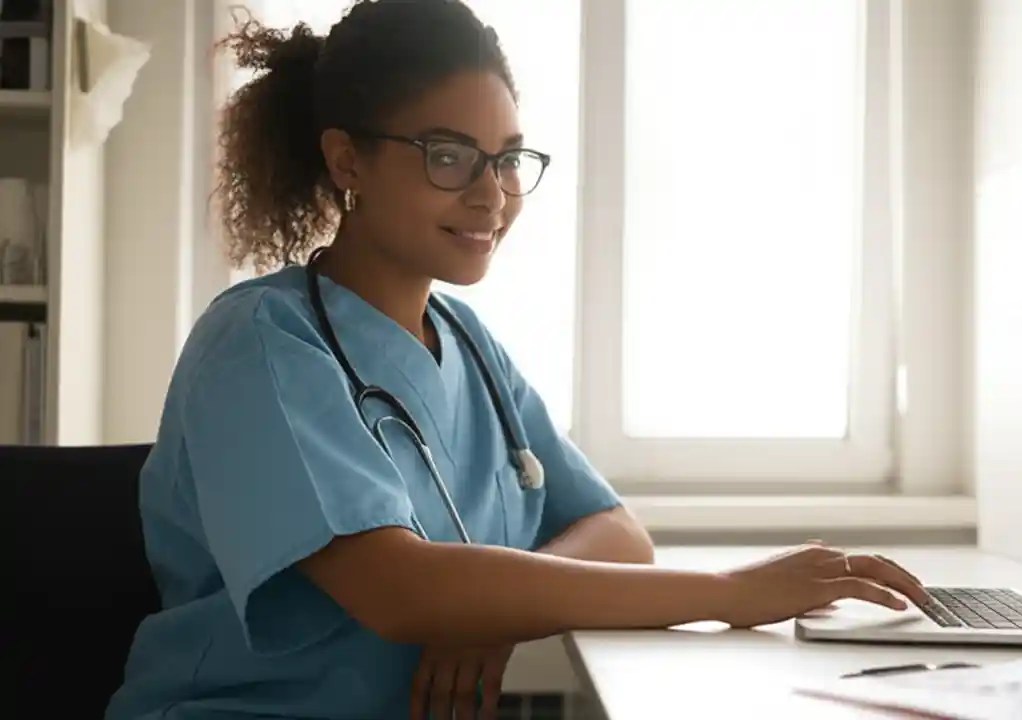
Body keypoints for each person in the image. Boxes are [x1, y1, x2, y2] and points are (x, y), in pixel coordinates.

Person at [105, 2, 930, 719]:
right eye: (449, 155)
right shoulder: (261, 344)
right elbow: (401, 591)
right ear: (348, 159)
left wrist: (495, 609)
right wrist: (729, 595)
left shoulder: (467, 343)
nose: (492, 193)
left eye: (508, 158)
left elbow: (619, 534)